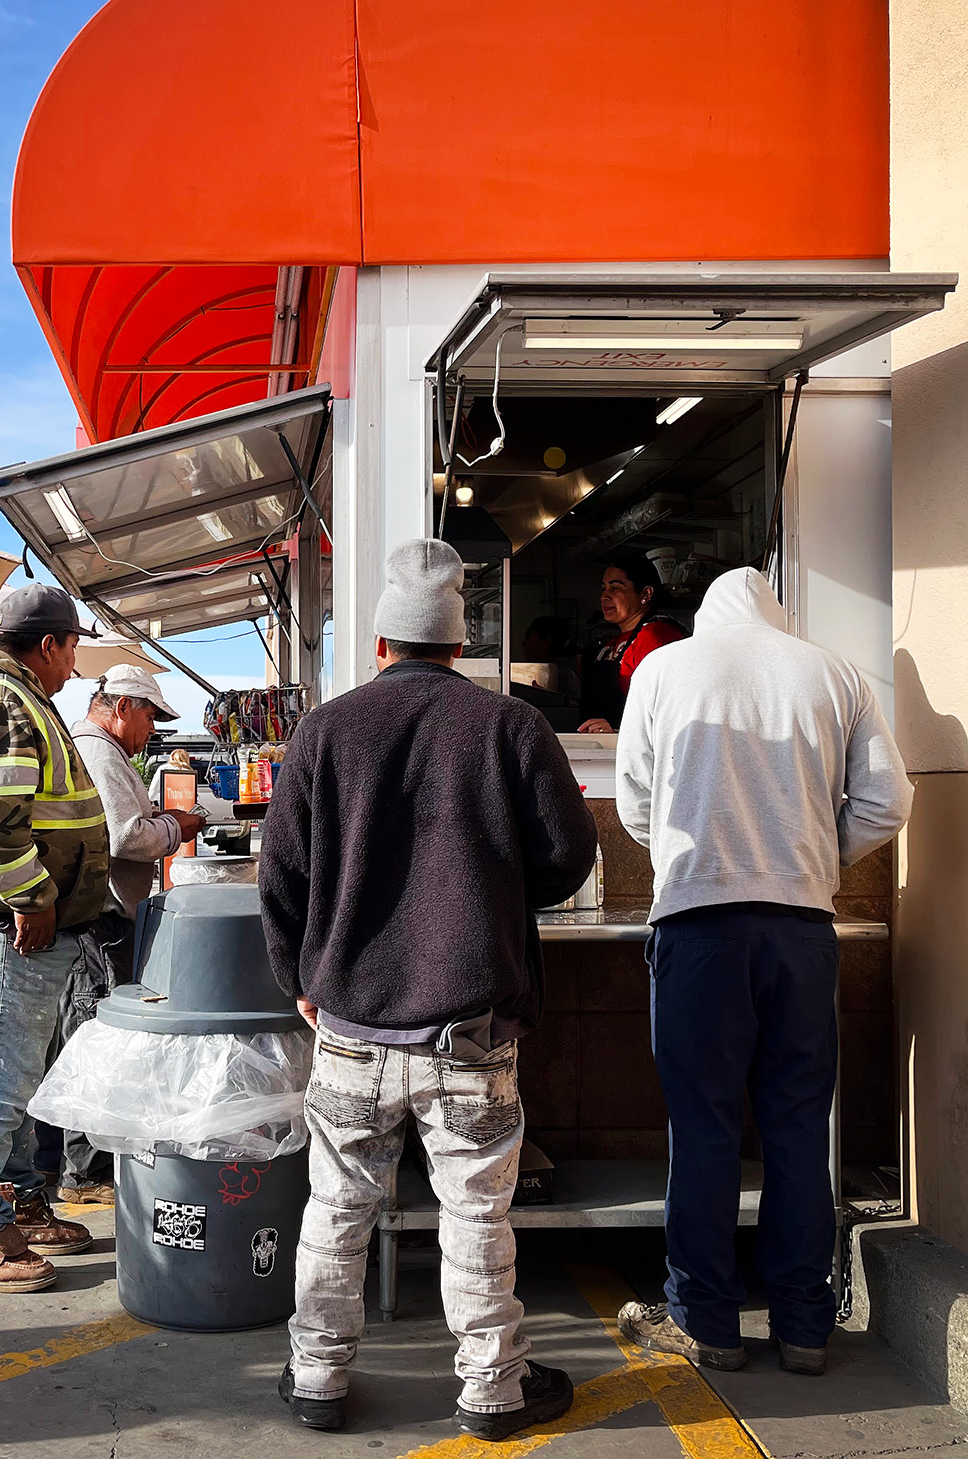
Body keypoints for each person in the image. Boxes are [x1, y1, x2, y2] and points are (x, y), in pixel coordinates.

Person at [261, 540, 599, 1440]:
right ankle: (494, 1389)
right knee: (477, 1214)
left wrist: (300, 979)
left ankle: (317, 1379)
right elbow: (568, 857)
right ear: (459, 645)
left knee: (337, 1209)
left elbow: (280, 876)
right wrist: (494, 886)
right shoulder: (510, 726)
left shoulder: (324, 731)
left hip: (350, 1029)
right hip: (471, 1034)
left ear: (379, 643)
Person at [610, 567, 912, 1376]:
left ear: (707, 618)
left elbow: (634, 801)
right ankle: (805, 1326)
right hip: (801, 933)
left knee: (703, 1130)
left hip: (698, 931)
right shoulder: (833, 673)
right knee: (798, 1130)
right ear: (778, 618)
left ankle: (705, 1320)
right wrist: (811, 861)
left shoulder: (664, 668)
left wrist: (690, 862)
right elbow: (887, 801)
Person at [0, 582, 109, 1294]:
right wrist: (32, 898)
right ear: (49, 644)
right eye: (72, 649)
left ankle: (13, 1200)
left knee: (12, 1072)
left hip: (10, 923)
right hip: (5, 925)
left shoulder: (13, 696)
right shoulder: (2, 700)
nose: (75, 665)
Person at [58, 662, 206, 1203]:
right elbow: (124, 837)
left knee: (94, 1029)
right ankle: (84, 1172)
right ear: (122, 708)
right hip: (101, 920)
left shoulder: (103, 752)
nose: (151, 731)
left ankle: (83, 1163)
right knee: (96, 1034)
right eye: (148, 718)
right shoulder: (98, 752)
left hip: (104, 917)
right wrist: (175, 826)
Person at [576, 553, 686, 733]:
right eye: (603, 588)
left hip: (632, 745)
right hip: (603, 744)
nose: (605, 596)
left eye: (615, 588)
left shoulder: (656, 636)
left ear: (645, 594)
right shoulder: (613, 642)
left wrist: (616, 733)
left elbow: (667, 709)